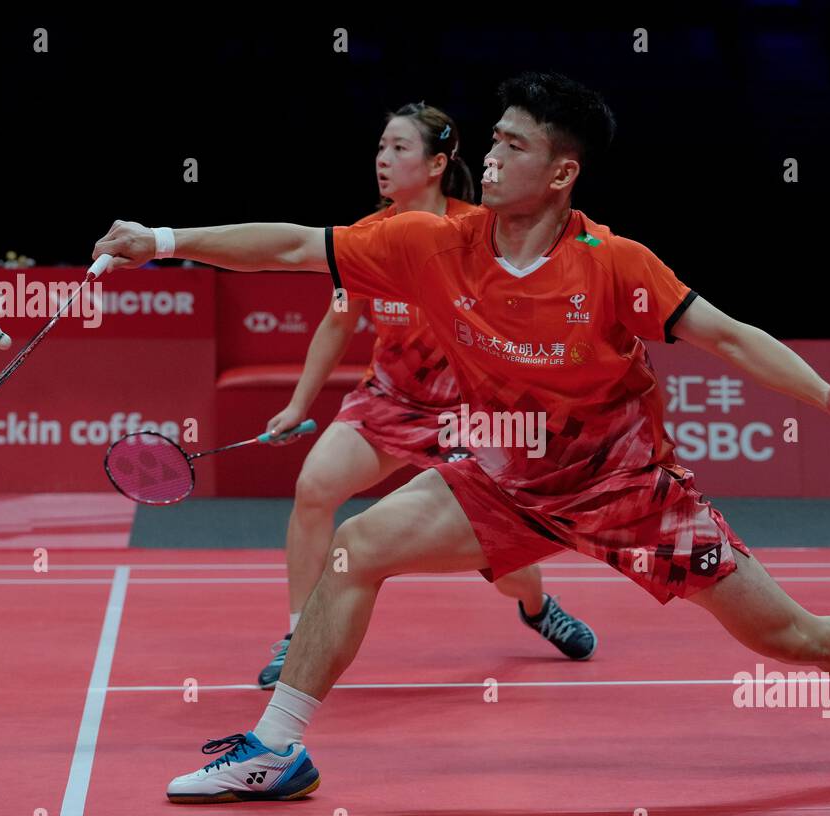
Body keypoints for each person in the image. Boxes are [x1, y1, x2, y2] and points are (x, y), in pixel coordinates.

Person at [92, 72, 830, 804]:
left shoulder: (611, 264)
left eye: (511, 146)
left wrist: (821, 394)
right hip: (504, 479)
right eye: (492, 143)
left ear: (560, 171)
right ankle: (277, 748)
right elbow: (297, 244)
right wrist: (165, 234)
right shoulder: (431, 245)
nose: (490, 160)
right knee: (354, 548)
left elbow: (724, 332)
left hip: (632, 491)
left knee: (788, 636)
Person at [256, 101, 597, 690]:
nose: (382, 160)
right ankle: (297, 635)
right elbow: (338, 322)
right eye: (381, 148)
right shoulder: (368, 236)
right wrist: (298, 403)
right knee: (314, 488)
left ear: (437, 163)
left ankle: (537, 608)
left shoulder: (479, 230)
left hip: (467, 414)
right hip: (386, 402)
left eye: (398, 148)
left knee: (500, 558)